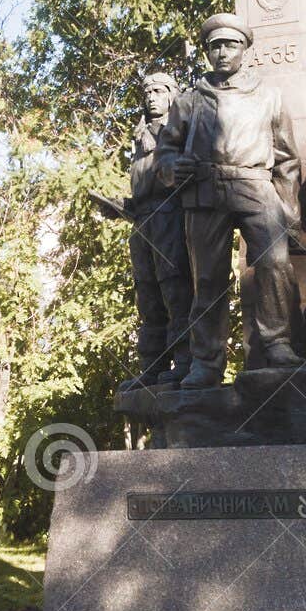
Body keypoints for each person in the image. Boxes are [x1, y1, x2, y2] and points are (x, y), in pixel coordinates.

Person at [157, 13, 303, 389]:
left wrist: (288, 211)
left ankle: (277, 343)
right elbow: (165, 153)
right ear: (207, 52)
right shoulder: (189, 100)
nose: (222, 52)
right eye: (214, 46)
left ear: (245, 50)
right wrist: (175, 166)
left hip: (256, 187)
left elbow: (286, 157)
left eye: (230, 45)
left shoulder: (269, 96)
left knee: (275, 264)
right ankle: (206, 362)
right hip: (205, 192)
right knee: (207, 279)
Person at [120, 71, 192, 388]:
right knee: (147, 295)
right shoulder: (139, 137)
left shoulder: (178, 133)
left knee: (175, 291)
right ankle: (153, 365)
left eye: (159, 91)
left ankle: (186, 362)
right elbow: (142, 184)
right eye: (147, 92)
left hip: (170, 215)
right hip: (143, 221)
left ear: (170, 97)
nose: (151, 97)